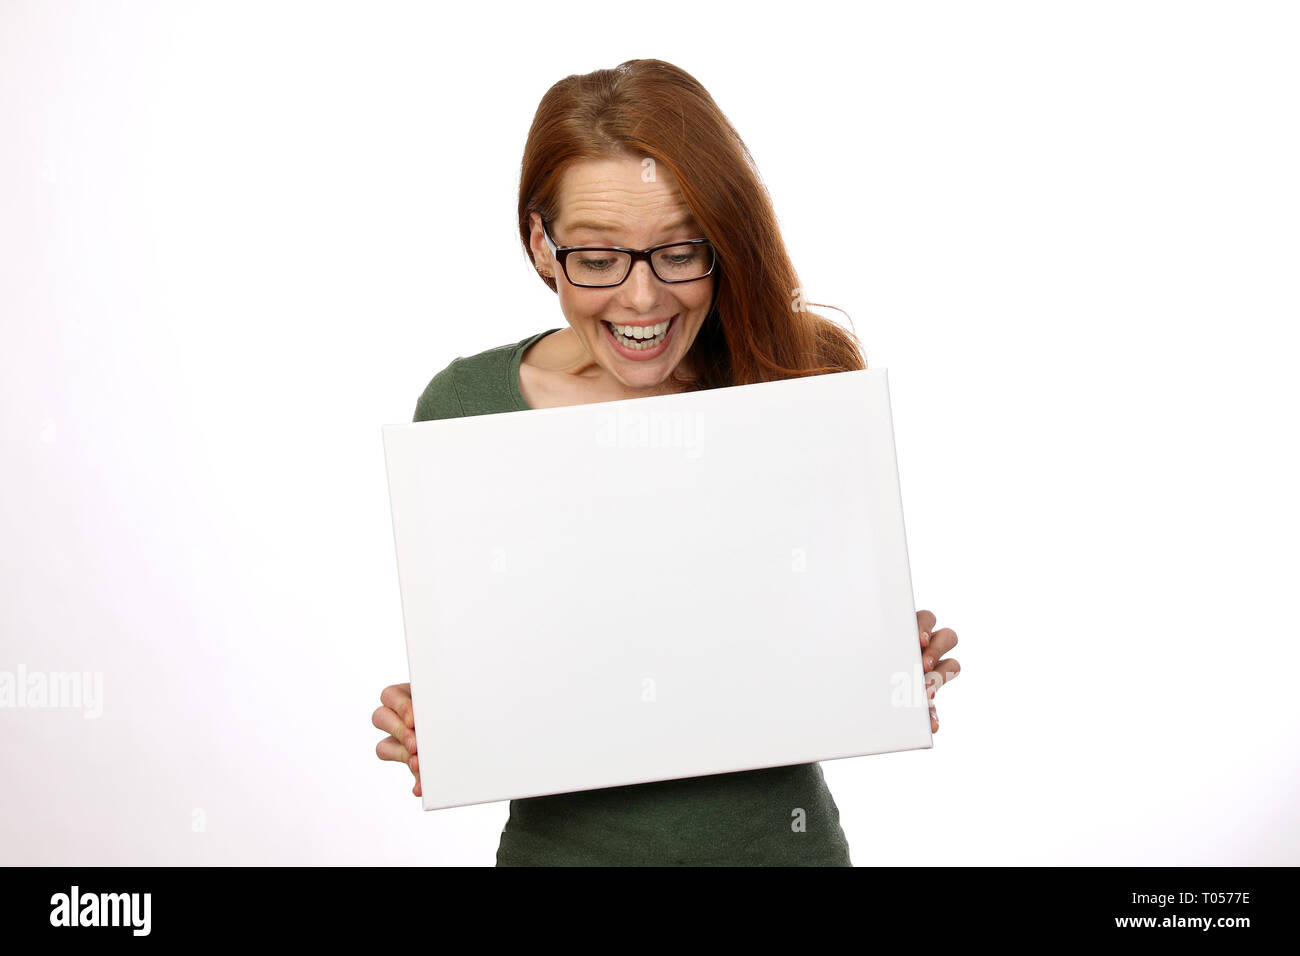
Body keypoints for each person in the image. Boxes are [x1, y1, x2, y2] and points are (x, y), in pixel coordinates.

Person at [372, 58, 961, 865]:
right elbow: (494, 674)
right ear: (542, 245)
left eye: (680, 251)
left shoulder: (798, 379)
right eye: (599, 256)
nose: (643, 301)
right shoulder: (466, 411)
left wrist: (889, 669)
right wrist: (439, 724)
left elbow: (820, 642)